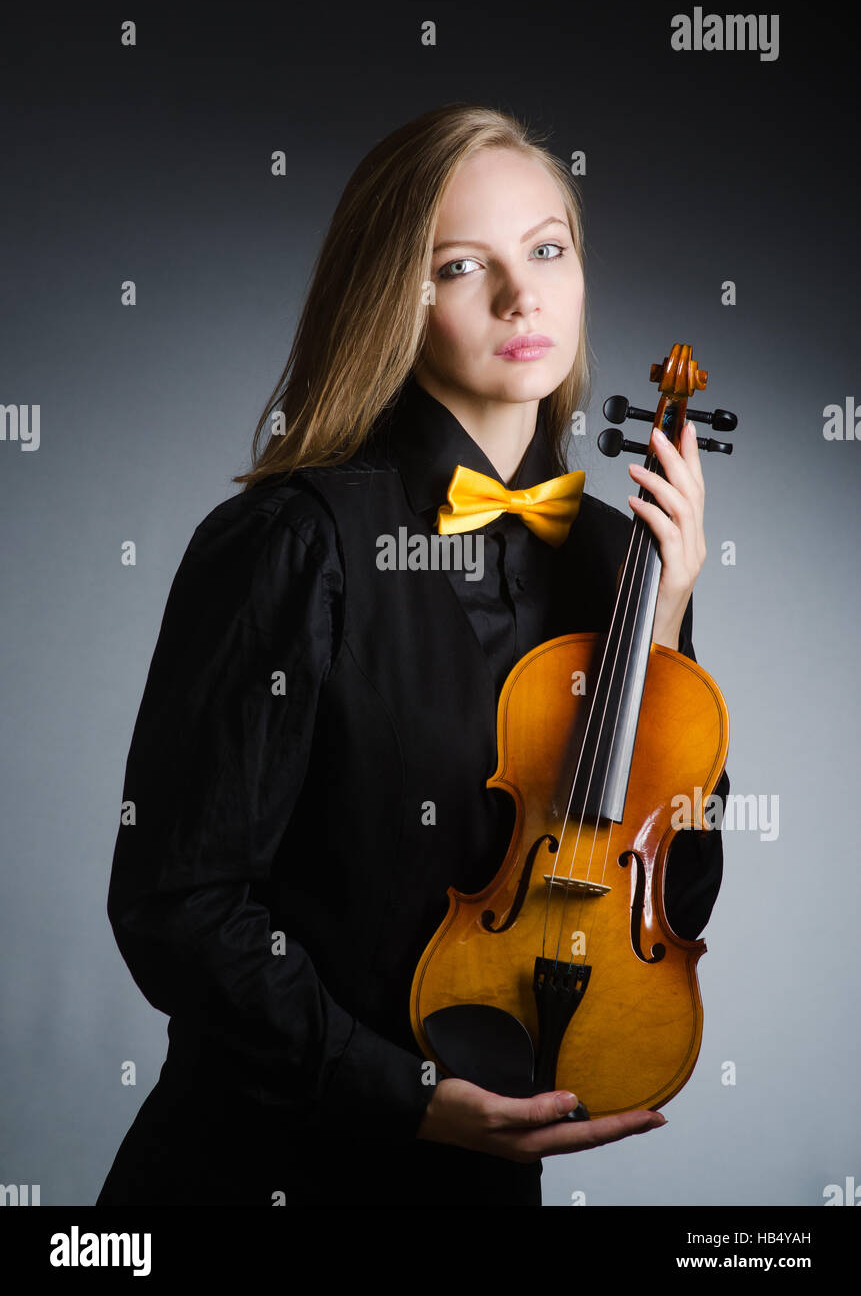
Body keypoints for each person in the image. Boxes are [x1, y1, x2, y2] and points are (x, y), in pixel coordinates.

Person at [96, 103, 728, 1208]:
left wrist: (665, 626)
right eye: (460, 265)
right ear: (396, 296)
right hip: (266, 1168)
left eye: (546, 249)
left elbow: (679, 896)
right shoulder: (290, 543)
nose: (522, 296)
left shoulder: (616, 560)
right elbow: (178, 904)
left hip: (481, 1188)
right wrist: (405, 1094)